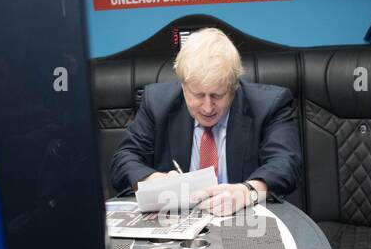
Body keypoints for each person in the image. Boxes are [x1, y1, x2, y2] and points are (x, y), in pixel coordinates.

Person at [109, 28, 302, 215]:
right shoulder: (157, 103)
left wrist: (247, 192)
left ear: (234, 86)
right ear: (183, 85)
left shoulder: (269, 105)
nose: (207, 107)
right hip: (177, 225)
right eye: (198, 95)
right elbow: (123, 161)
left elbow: (285, 164)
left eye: (217, 95)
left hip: (245, 222)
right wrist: (156, 180)